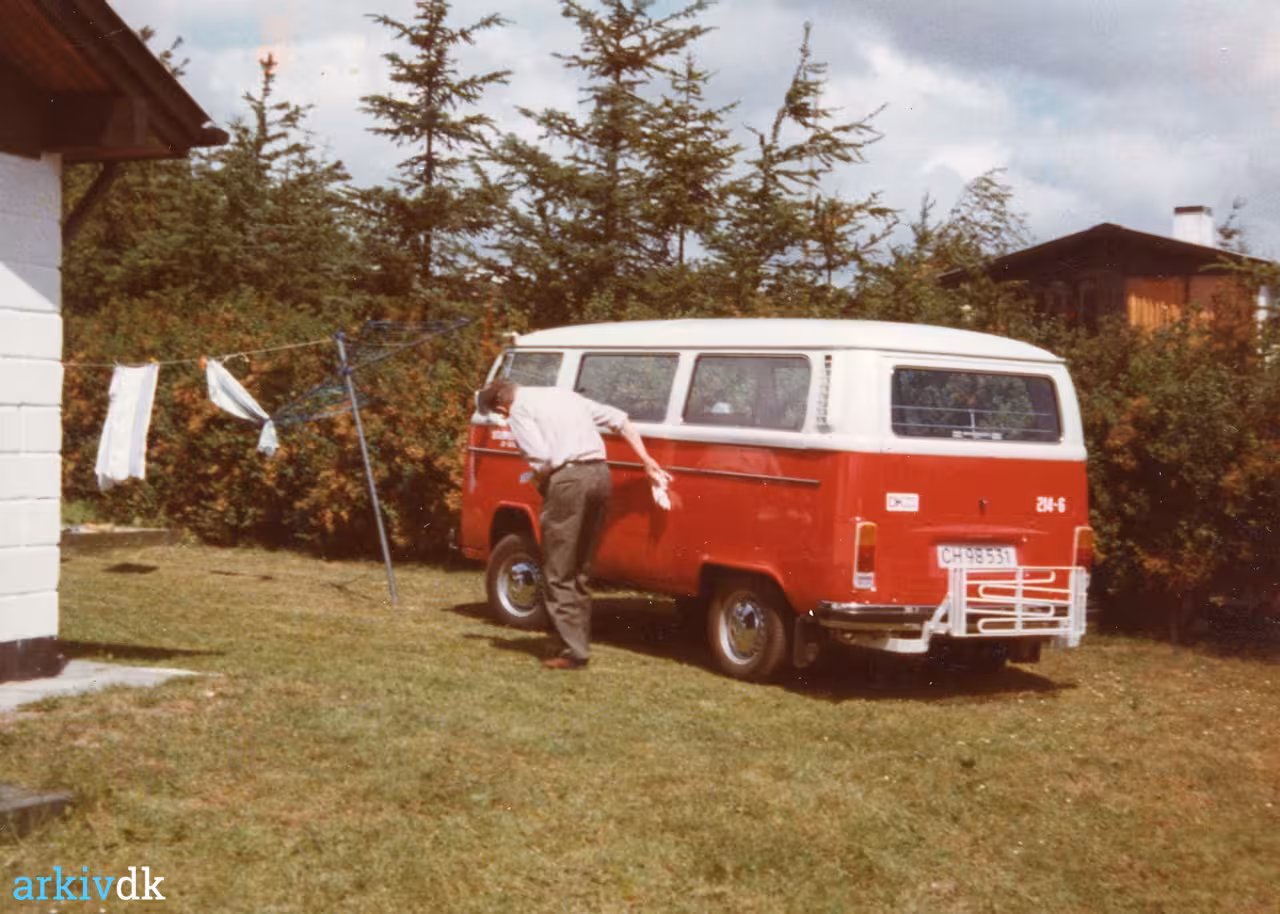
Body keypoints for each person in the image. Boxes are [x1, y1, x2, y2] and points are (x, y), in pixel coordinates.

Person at [477, 377, 670, 670]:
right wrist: (646, 459)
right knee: (580, 567)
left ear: (503, 404)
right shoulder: (565, 396)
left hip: (569, 481)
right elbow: (621, 421)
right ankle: (572, 641)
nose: (503, 418)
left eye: (500, 413)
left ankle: (572, 652)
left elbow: (541, 459)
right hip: (600, 476)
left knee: (557, 568)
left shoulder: (519, 410)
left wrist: (535, 480)